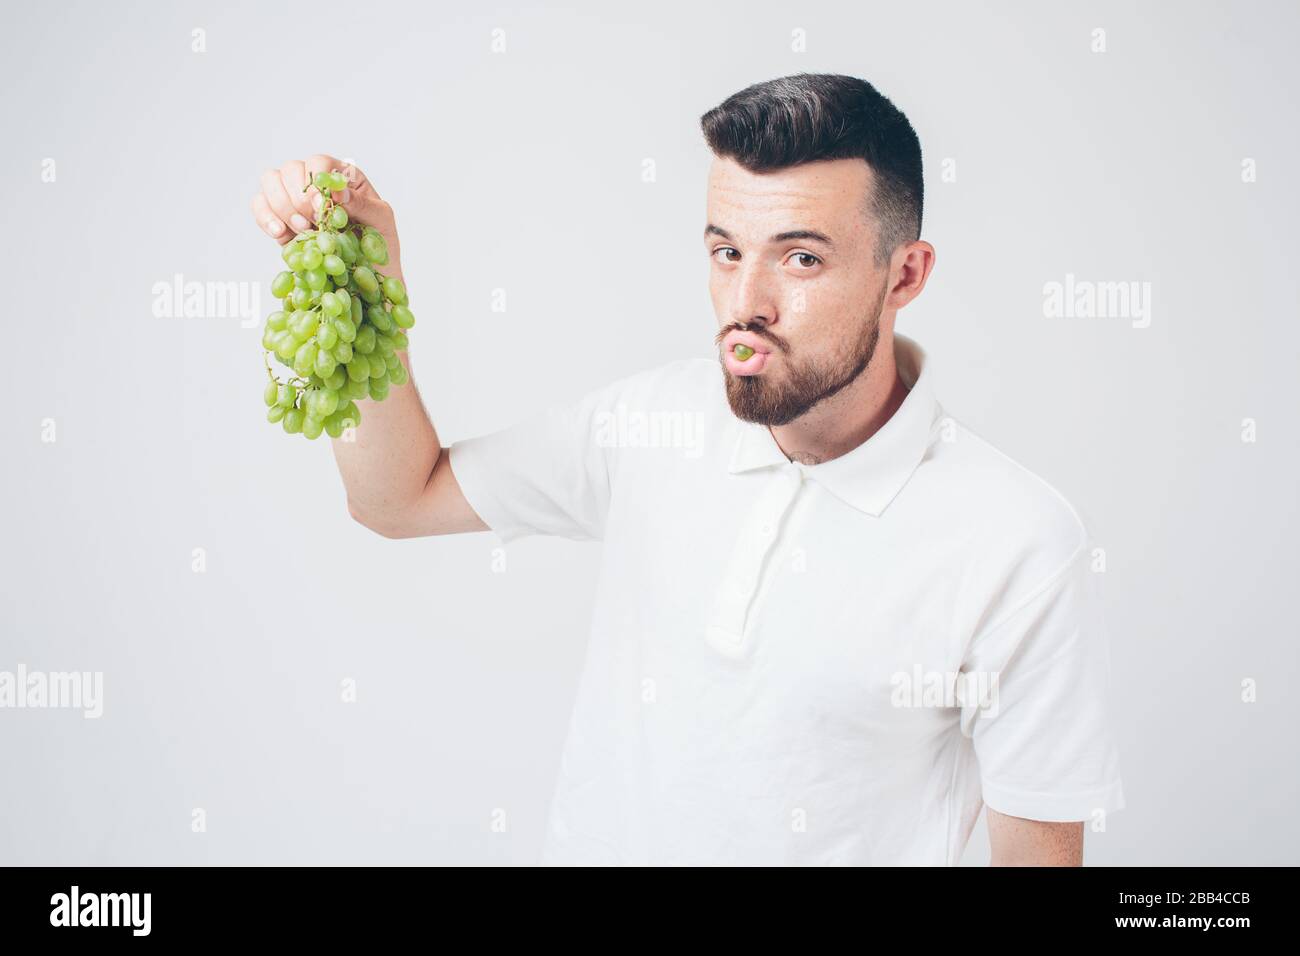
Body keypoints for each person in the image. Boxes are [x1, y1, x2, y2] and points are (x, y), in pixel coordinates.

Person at [249, 73, 1125, 866]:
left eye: (802, 257)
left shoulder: (1016, 540)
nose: (747, 304)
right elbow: (396, 497)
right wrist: (366, 278)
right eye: (725, 251)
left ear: (906, 275)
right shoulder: (648, 423)